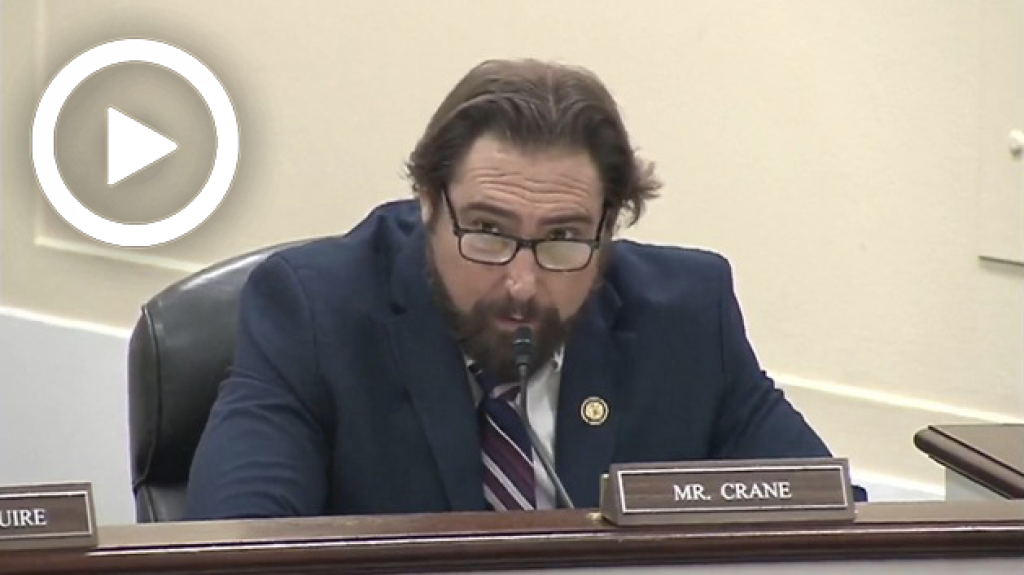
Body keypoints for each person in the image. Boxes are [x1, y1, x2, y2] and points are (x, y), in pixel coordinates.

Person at [185, 58, 860, 520]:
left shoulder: (686, 316)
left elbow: (830, 524)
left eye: (563, 237)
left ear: (609, 227)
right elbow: (237, 542)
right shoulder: (313, 312)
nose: (521, 281)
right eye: (487, 231)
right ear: (428, 203)